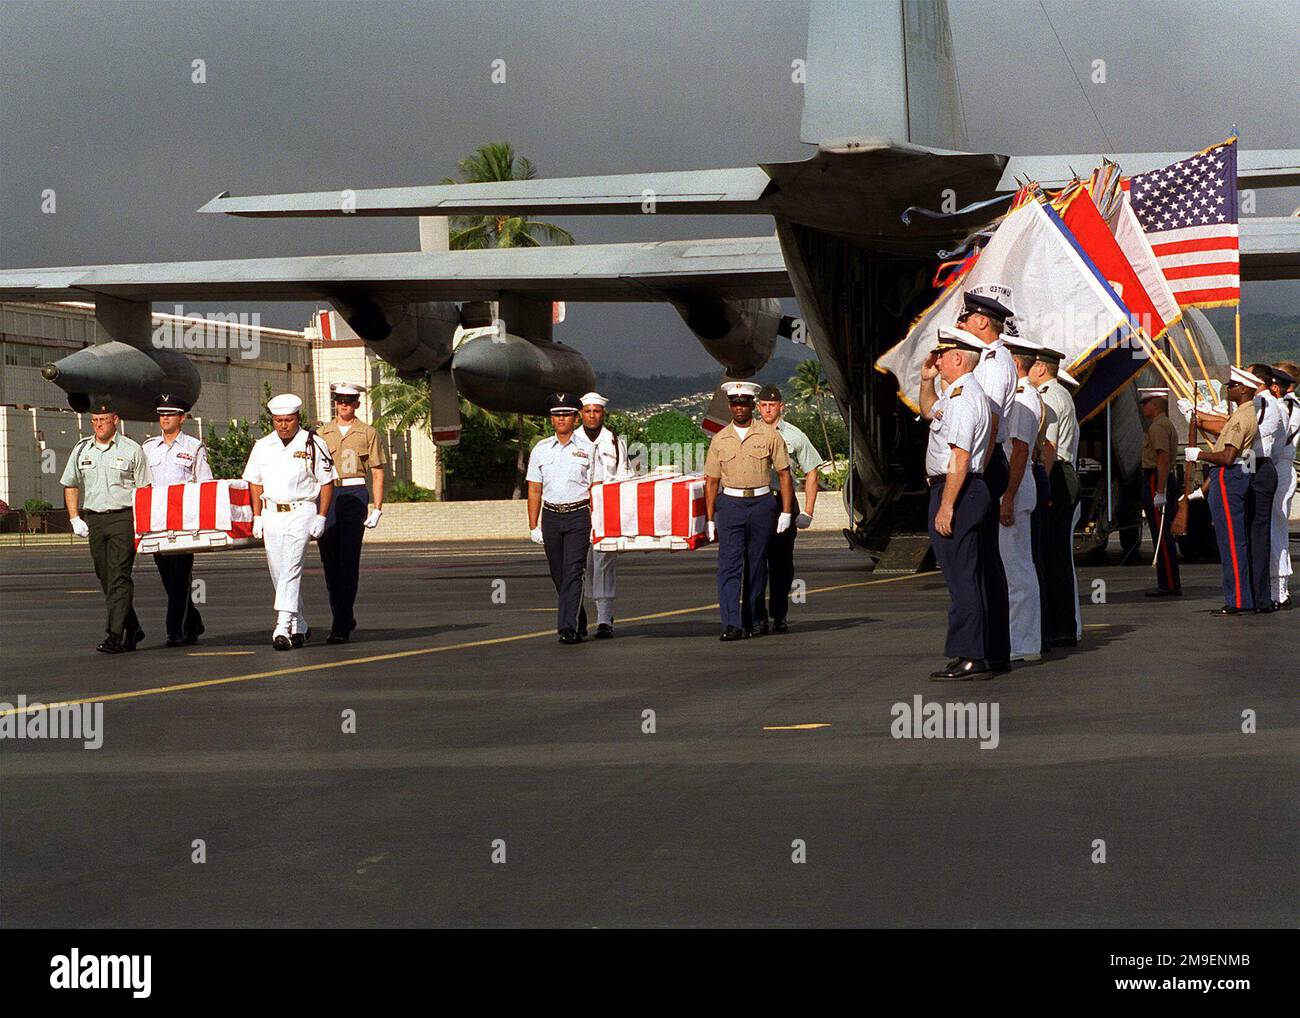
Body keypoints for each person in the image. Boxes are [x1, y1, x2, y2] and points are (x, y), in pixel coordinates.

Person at [918, 328, 992, 680]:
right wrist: (926, 380)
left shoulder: (963, 398)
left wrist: (947, 506)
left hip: (957, 490)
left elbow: (960, 457)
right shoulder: (955, 395)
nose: (937, 360)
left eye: (942, 355)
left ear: (958, 358)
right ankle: (968, 649)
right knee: (964, 574)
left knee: (961, 576)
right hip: (957, 489)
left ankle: (972, 655)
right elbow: (929, 411)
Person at [951, 284, 1017, 672]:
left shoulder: (992, 363)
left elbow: (989, 423)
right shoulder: (998, 358)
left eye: (964, 319)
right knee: (986, 560)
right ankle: (994, 650)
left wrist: (974, 471)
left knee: (976, 561)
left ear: (979, 322)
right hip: (987, 464)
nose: (961, 325)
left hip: (984, 463)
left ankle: (982, 650)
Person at [702, 380, 795, 641]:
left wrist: (786, 511)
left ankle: (755, 618)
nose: (739, 408)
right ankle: (731, 623)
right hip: (730, 505)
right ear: (730, 406)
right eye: (735, 403)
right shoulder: (720, 439)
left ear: (752, 405)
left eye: (744, 403)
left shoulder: (770, 436)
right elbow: (711, 481)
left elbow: (784, 475)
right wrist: (710, 519)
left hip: (761, 504)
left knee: (757, 566)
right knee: (729, 566)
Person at [242, 393, 336, 648]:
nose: (283, 425)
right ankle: (300, 623)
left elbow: (327, 482)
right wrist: (257, 515)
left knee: (292, 567)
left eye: (288, 420)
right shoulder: (262, 445)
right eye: (278, 420)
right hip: (271, 512)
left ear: (298, 419)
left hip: (301, 510)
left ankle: (282, 626)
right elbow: (254, 480)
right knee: (278, 571)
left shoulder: (313, 443)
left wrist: (322, 515)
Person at [61, 401, 153, 653]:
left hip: (123, 518)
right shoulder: (81, 450)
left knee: (119, 574)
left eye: (102, 420)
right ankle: (132, 626)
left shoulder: (132, 449)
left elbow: (145, 490)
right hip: (95, 520)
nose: (98, 425)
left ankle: (115, 634)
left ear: (115, 419)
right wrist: (73, 518)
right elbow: (70, 483)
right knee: (105, 576)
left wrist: (143, 525)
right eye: (94, 421)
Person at [750, 383, 828, 633]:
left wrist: (808, 510)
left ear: (781, 407)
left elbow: (812, 471)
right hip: (756, 501)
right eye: (763, 405)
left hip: (782, 501)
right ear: (757, 407)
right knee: (755, 561)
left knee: (781, 564)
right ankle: (756, 617)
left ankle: (779, 615)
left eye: (772, 405)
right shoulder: (748, 433)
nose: (768, 410)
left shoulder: (795, 435)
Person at [1187, 366, 1264, 615]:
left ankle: (1238, 599)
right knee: (1231, 539)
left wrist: (1199, 453)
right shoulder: (1242, 412)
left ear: (1243, 389)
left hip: (1229, 477)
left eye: (1232, 386)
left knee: (1231, 540)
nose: (1228, 388)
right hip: (1230, 477)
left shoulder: (1243, 416)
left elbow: (1228, 456)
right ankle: (1238, 596)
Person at [316, 382, 386, 644]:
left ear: (357, 403)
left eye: (348, 400)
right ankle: (343, 613)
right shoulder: (321, 434)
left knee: (348, 560)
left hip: (354, 493)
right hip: (327, 495)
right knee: (329, 561)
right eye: (339, 400)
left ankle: (341, 624)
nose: (343, 405)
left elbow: (377, 470)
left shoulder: (367, 433)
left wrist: (378, 507)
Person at [142, 395, 213, 646]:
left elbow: (204, 484)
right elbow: (143, 485)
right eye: (162, 414)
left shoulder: (194, 447)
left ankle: (174, 630)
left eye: (170, 415)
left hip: (183, 522)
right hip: (157, 522)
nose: (165, 419)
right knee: (168, 579)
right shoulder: (148, 448)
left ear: (182, 418)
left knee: (181, 576)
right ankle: (192, 621)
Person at [526, 393, 594, 644]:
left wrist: (596, 519)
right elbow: (534, 489)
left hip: (578, 514)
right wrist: (533, 525)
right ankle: (579, 619)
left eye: (566, 414)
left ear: (576, 418)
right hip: (552, 516)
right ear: (551, 419)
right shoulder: (541, 449)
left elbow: (594, 487)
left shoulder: (588, 448)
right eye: (556, 415)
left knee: (573, 571)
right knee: (558, 574)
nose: (561, 419)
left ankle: (568, 627)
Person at [1028, 350, 1082, 646]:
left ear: (1039, 368)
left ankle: (1054, 627)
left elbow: (1048, 446)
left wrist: (1042, 485)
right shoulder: (1061, 393)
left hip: (1056, 475)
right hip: (1063, 472)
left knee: (1050, 556)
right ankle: (1061, 626)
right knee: (1056, 555)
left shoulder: (1048, 397)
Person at [997, 333, 1045, 662]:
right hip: (1018, 481)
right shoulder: (1024, 395)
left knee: (1017, 569)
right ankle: (1022, 639)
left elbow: (1019, 450)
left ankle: (1024, 643)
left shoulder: (1023, 398)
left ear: (1015, 364)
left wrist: (1008, 496)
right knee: (1017, 566)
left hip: (1016, 482)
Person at [577, 391, 632, 638]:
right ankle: (579, 613)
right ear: (581, 414)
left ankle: (604, 619)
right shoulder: (572, 439)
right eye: (587, 411)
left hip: (606, 509)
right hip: (578, 510)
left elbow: (624, 476)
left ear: (602, 413)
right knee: (582, 565)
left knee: (604, 564)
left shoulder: (614, 441)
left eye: (596, 411)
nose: (591, 415)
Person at [1137, 387, 1182, 598]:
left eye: (1145, 403)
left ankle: (1169, 584)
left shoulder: (1158, 427)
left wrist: (1160, 491)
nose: (1144, 407)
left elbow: (1162, 458)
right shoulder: (1163, 424)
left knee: (1162, 535)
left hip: (1156, 477)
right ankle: (1167, 581)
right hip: (1158, 477)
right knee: (1160, 534)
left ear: (1154, 405)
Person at [1268, 362, 1298, 609]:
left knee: (1275, 528)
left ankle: (1279, 590)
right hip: (1274, 466)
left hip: (1280, 466)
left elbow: (1276, 437)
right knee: (1271, 528)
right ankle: (1276, 587)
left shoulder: (1289, 407)